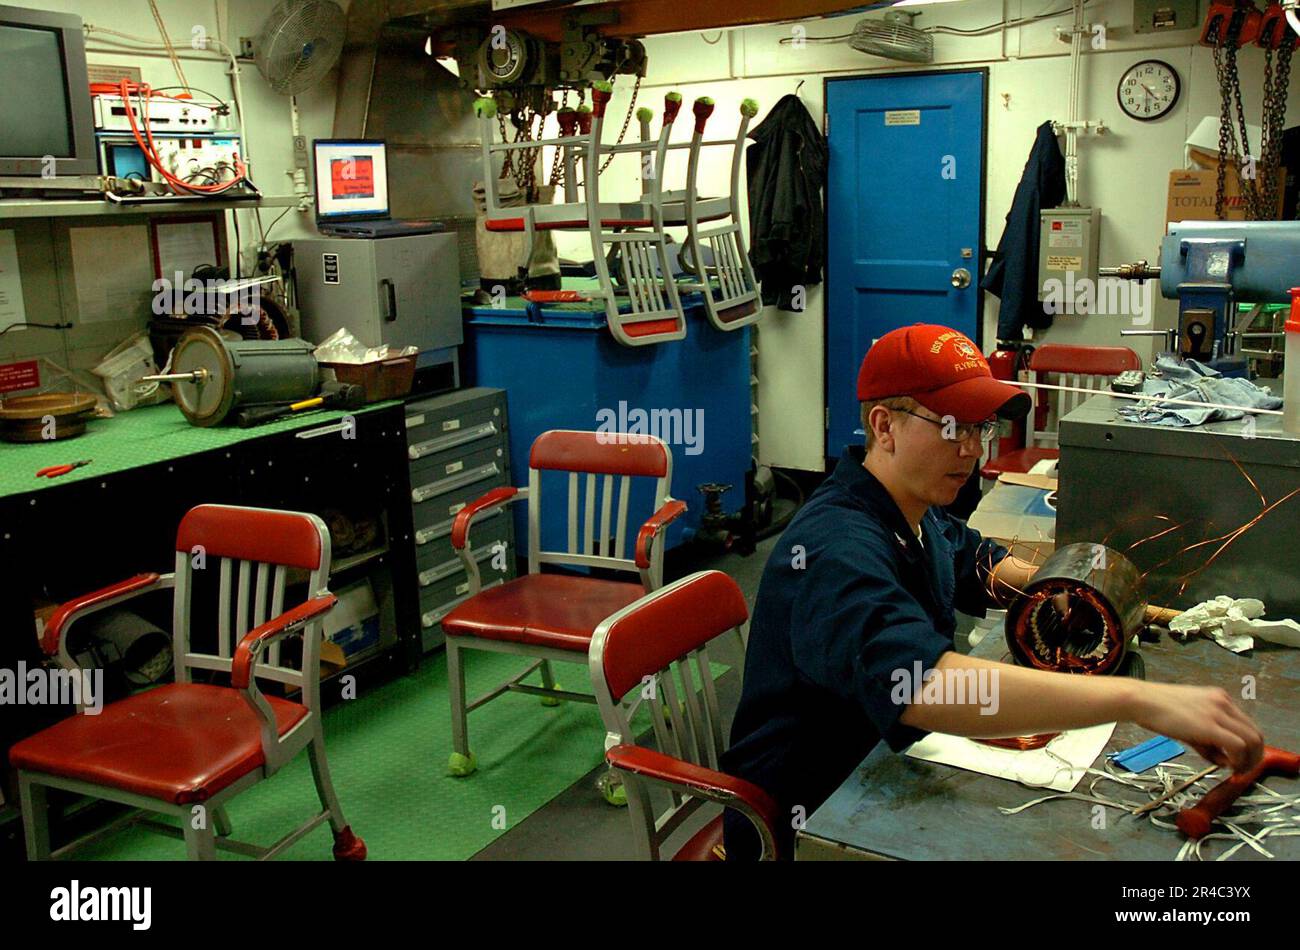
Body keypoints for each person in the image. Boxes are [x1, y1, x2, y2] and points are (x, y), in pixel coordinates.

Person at [720, 323, 1264, 861]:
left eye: (980, 428)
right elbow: (925, 687)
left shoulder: (911, 509)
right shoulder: (834, 548)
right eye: (953, 427)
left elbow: (969, 555)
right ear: (884, 426)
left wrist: (1061, 588)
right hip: (807, 818)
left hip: (884, 769)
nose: (973, 451)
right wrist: (1138, 700)